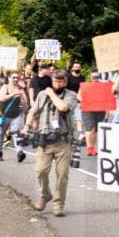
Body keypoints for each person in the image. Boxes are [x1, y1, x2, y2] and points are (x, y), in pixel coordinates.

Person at [29, 68, 78, 216]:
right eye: (55, 81)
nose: (57, 84)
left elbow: (63, 107)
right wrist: (27, 125)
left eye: (61, 81)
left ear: (65, 82)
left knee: (62, 174)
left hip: (63, 140)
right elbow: (33, 111)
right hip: (45, 138)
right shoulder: (42, 95)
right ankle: (45, 195)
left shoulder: (71, 95)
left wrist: (51, 93)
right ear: (52, 80)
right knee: (40, 171)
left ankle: (58, 204)